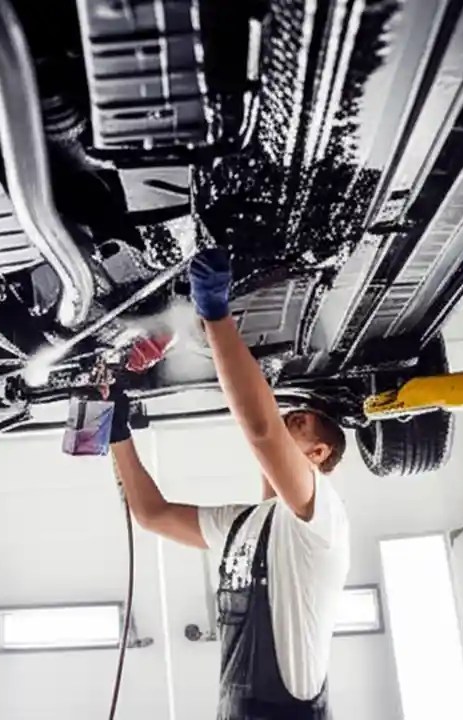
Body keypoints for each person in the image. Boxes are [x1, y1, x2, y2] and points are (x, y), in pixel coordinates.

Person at [108, 247, 350, 720]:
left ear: (318, 455)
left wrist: (117, 433)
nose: (284, 422)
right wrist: (213, 314)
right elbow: (261, 434)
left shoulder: (313, 516)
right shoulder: (289, 524)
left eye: (297, 423)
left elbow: (152, 515)